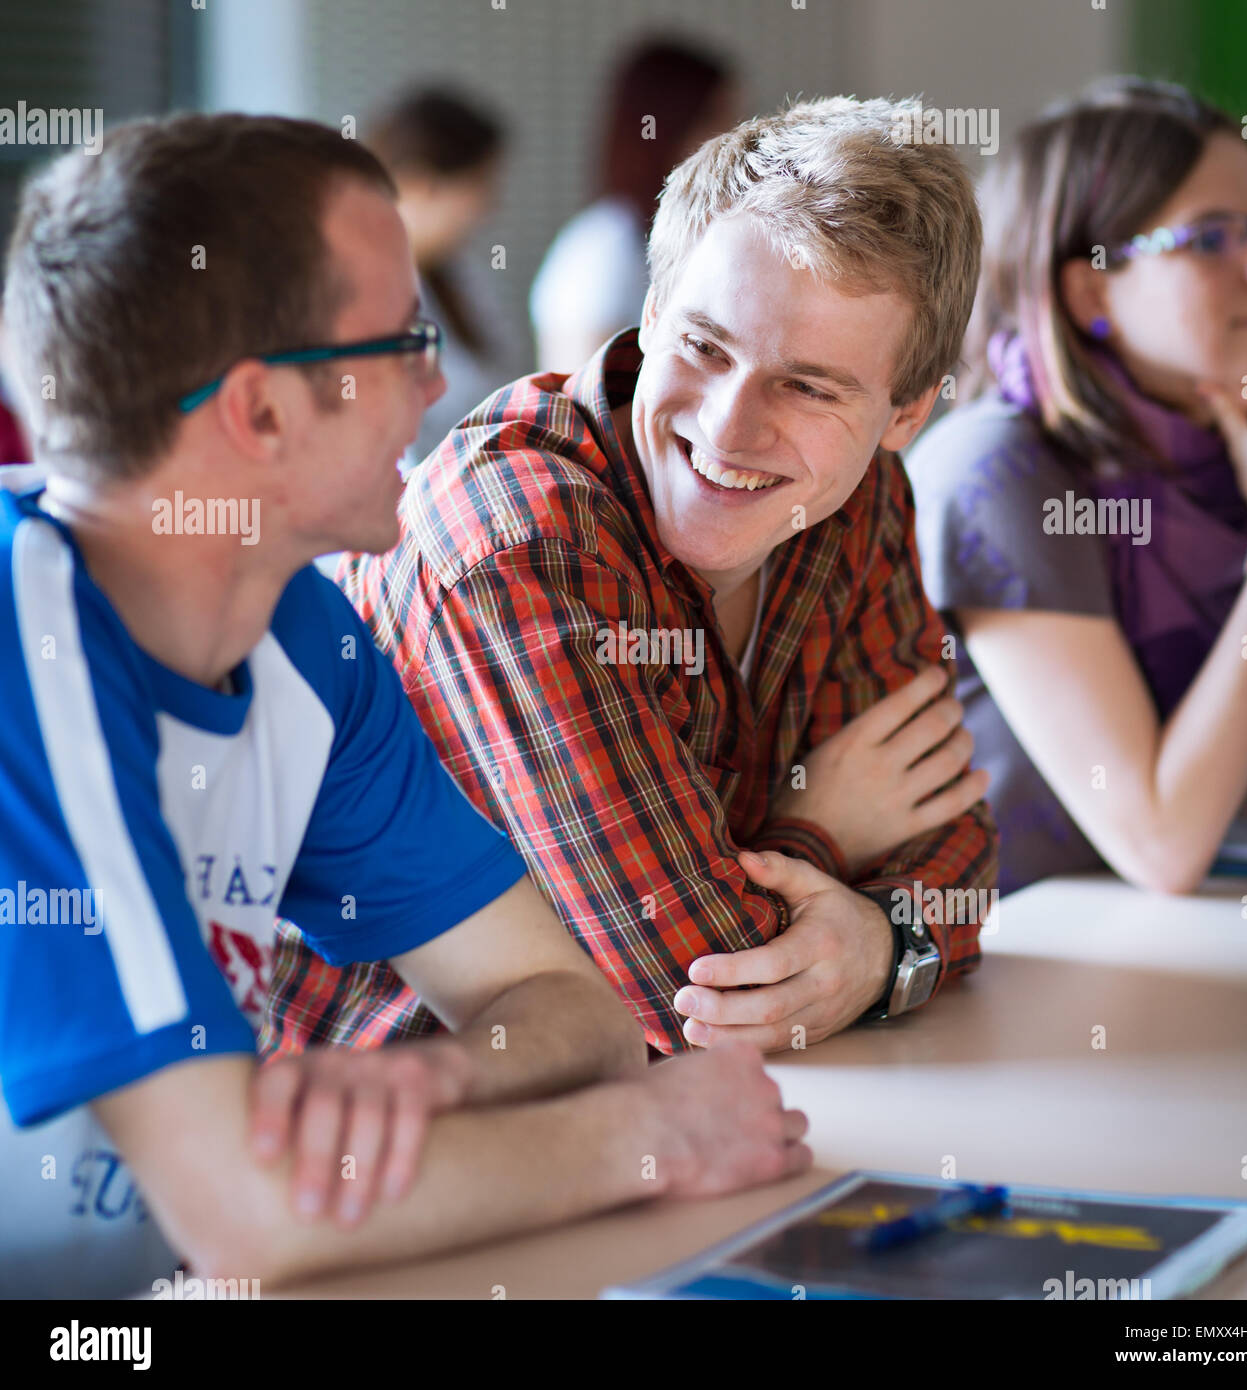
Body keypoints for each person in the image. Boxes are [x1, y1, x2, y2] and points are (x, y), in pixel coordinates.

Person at [0, 113, 812, 1298]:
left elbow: (566, 1008)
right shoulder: (25, 640)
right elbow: (247, 1216)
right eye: (403, 341)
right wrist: (657, 1135)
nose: (438, 382)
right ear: (261, 413)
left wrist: (439, 1079)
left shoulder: (301, 631)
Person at [266, 96, 998, 1064]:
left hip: (700, 1114)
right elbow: (693, 983)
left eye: (808, 385)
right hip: (397, 1126)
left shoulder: (861, 499)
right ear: (649, 318)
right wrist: (820, 828)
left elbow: (956, 852)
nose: (730, 430)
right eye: (704, 345)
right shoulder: (516, 539)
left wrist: (879, 948)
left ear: (903, 414)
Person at [906, 77, 1247, 895]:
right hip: (967, 973)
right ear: (1090, 290)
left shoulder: (1232, 454)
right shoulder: (999, 473)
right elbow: (1162, 839)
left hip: (1114, 939)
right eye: (1210, 238)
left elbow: (1212, 767)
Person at [529, 37, 737, 373]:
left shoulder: (692, 237)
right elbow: (583, 400)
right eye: (717, 117)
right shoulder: (600, 248)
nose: (731, 136)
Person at [365, 89, 526, 471]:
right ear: (422, 184)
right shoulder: (360, 293)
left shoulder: (458, 275)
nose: (489, 207)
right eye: (480, 186)